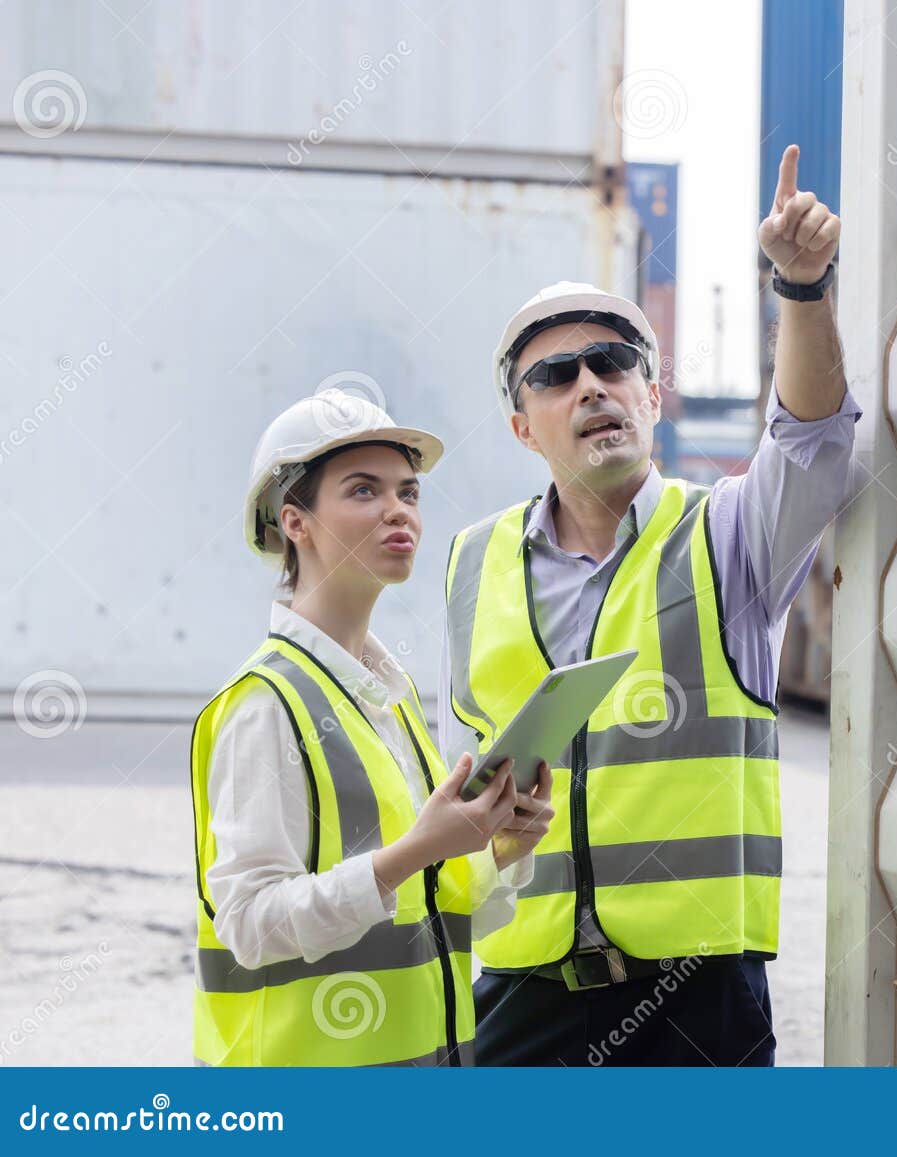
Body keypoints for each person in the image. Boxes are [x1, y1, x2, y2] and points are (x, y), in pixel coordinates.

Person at [440, 144, 859, 1065]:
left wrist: (800, 287)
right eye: (553, 376)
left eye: (613, 361)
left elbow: (817, 440)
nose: (590, 383)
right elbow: (459, 782)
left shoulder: (727, 539)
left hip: (694, 1005)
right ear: (522, 425)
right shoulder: (473, 563)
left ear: (652, 392)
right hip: (523, 999)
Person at [189, 391, 555, 1066]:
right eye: (364, 490)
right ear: (295, 521)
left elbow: (421, 897)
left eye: (408, 492)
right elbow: (250, 922)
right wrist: (415, 850)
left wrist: (497, 843)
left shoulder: (389, 692)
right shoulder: (266, 704)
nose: (399, 511)